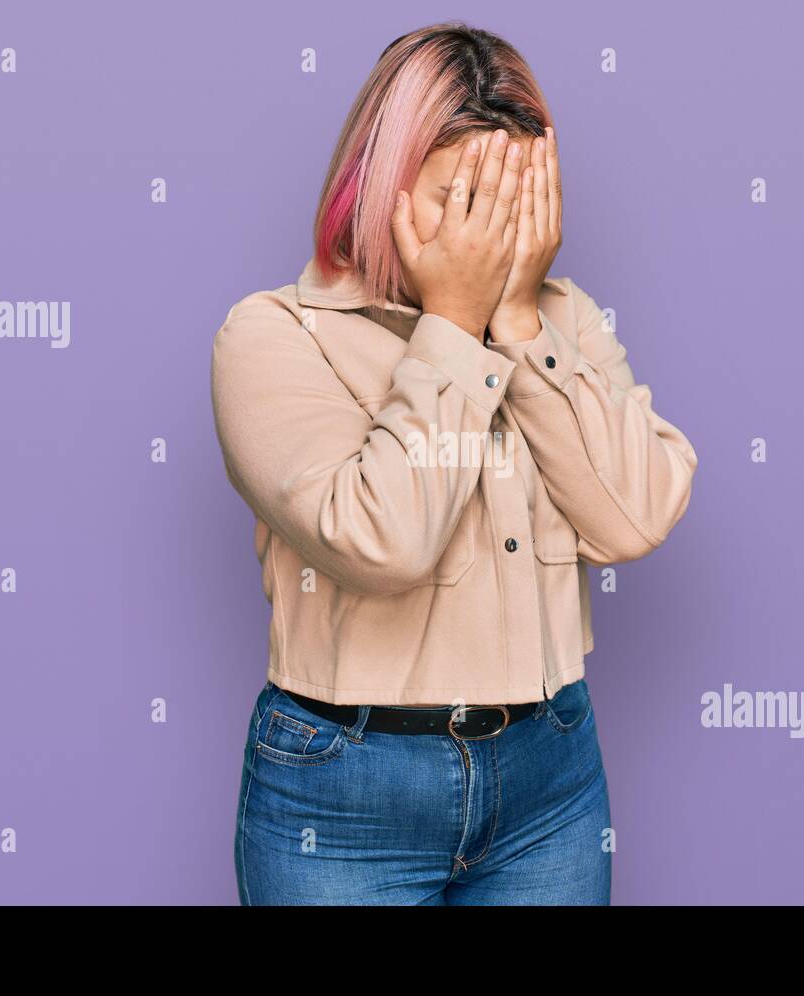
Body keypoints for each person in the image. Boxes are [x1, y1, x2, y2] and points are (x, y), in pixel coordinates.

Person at [210, 22, 697, 905]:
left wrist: (514, 325)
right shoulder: (273, 336)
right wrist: (453, 325)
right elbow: (384, 543)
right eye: (456, 198)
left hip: (550, 777)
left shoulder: (565, 319)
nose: (481, 234)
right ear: (381, 184)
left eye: (507, 201)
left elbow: (635, 518)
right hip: (346, 790)